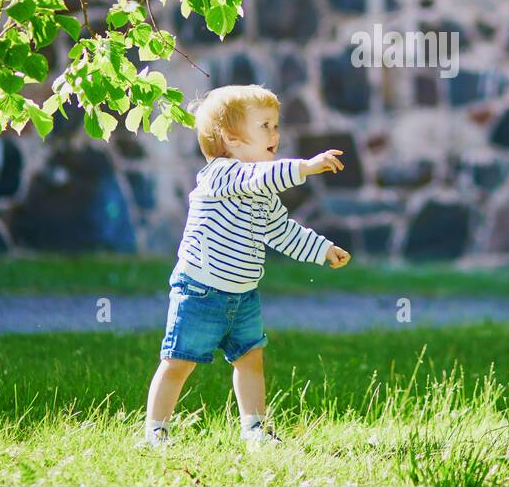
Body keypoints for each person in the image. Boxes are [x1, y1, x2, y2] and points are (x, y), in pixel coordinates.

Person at [143, 84, 352, 450]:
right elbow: (257, 178)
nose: (276, 134)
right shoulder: (220, 175)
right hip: (200, 291)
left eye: (276, 125)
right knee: (178, 361)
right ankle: (156, 431)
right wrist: (305, 167)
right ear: (232, 139)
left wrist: (322, 249)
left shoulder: (263, 190)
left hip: (243, 295)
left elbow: (281, 230)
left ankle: (255, 429)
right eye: (265, 126)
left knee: (250, 360)